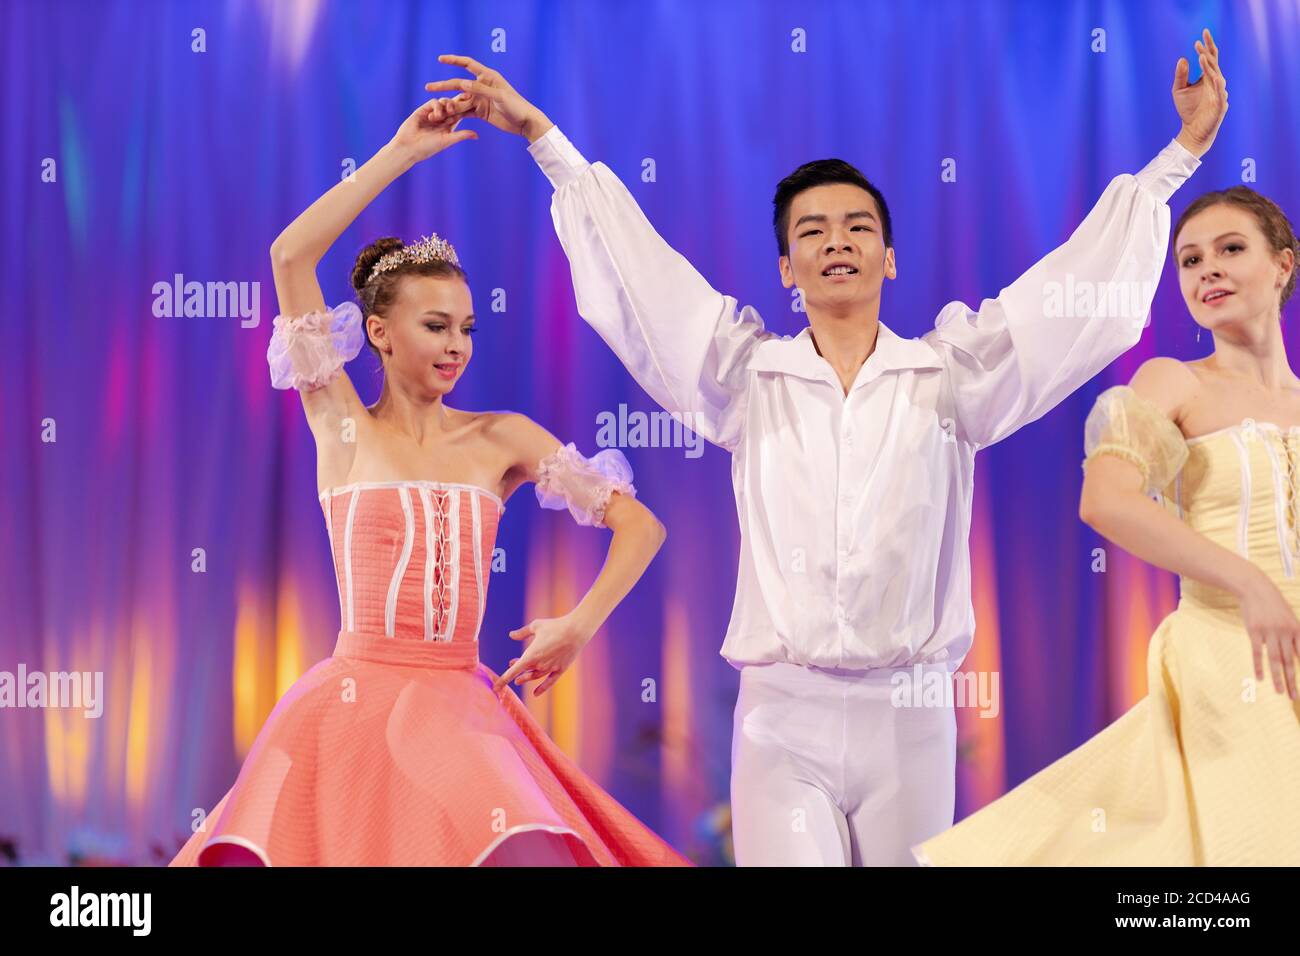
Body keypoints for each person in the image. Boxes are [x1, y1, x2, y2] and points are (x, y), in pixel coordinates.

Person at [423, 26, 1226, 865]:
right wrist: (546, 141)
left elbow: (1073, 295)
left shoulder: (950, 377)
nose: (836, 242)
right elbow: (642, 281)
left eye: (856, 228)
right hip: (781, 713)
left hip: (910, 712)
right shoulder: (746, 377)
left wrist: (1183, 153)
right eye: (812, 231)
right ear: (785, 269)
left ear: (890, 258)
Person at [169, 93, 691, 867]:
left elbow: (640, 526)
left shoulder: (500, 439)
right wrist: (403, 153)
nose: (458, 346)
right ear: (377, 333)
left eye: (468, 328)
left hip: (458, 704)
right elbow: (289, 257)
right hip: (347, 710)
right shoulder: (342, 424)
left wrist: (576, 626)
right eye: (435, 326)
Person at [913, 183, 1300, 865]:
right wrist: (1249, 583)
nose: (1205, 269)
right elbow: (1107, 500)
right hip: (1228, 655)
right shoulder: (1174, 382)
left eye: (1230, 249)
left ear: (1283, 265)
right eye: (1188, 259)